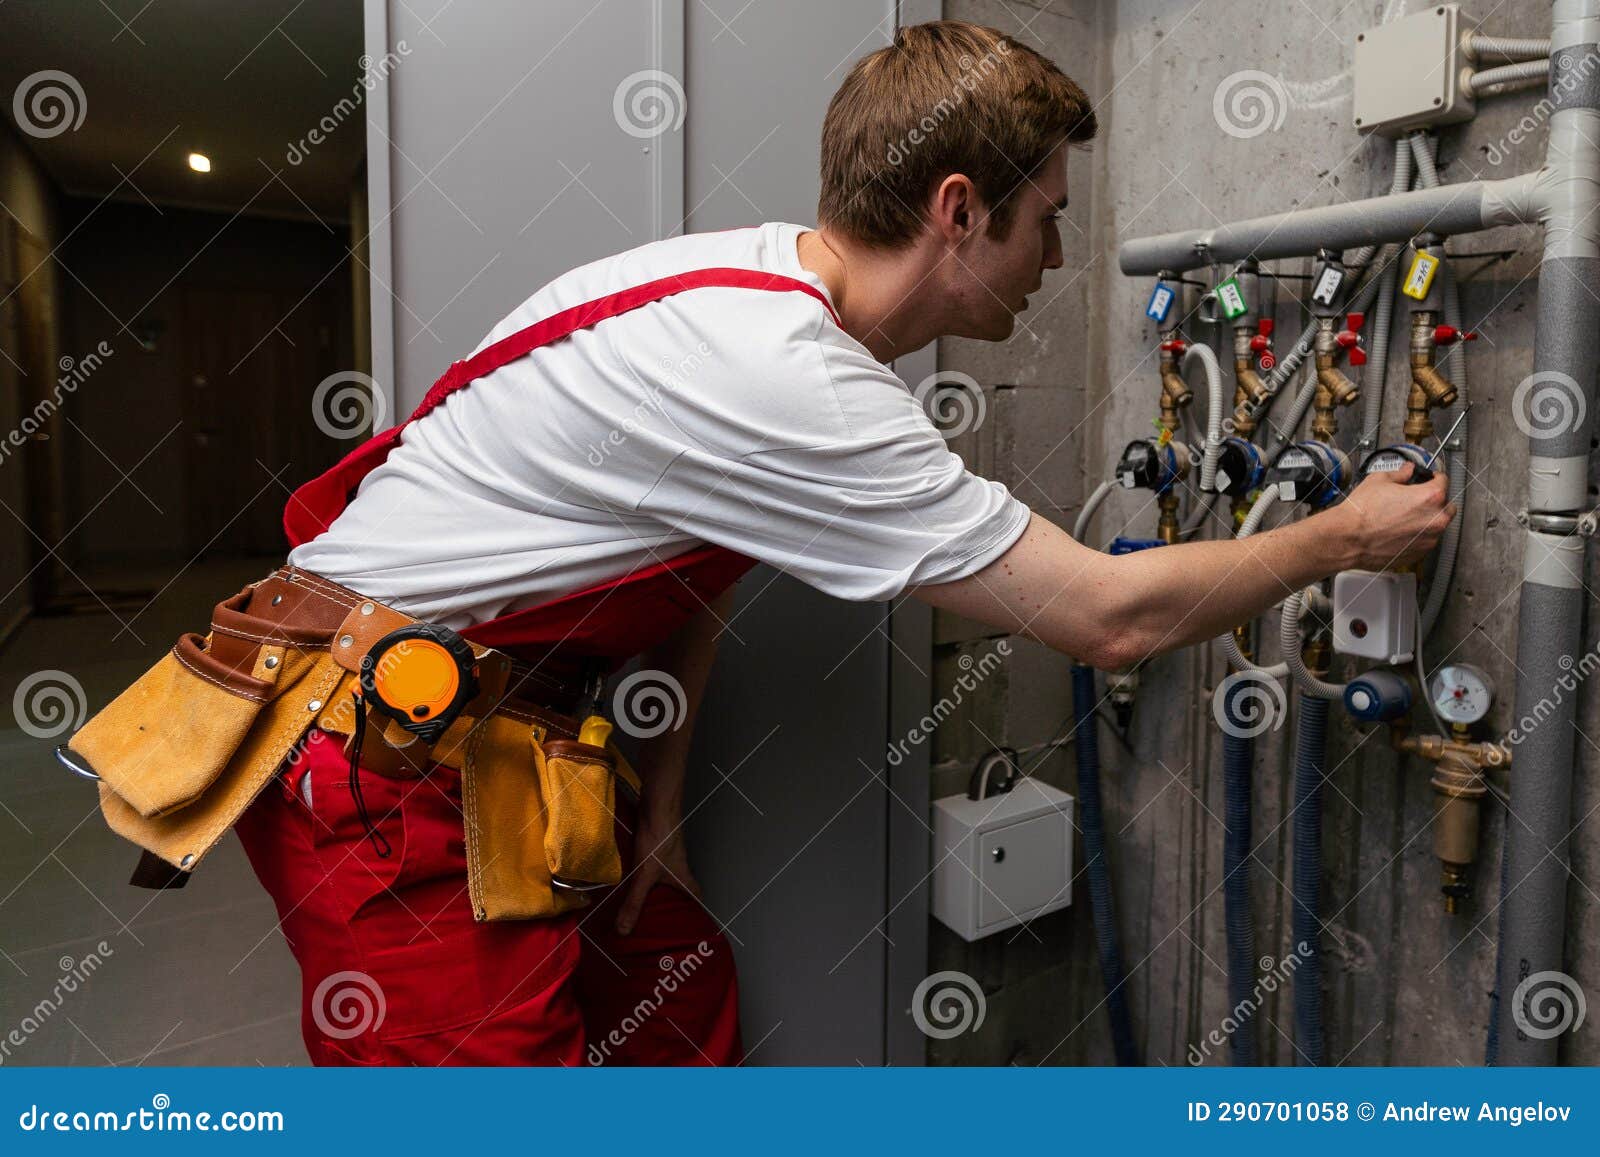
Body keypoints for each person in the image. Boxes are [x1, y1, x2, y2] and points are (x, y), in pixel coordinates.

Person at [240, 19, 1452, 1065]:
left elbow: (695, 564)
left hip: (493, 735)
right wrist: (1343, 535)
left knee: (674, 999)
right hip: (375, 762)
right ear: (958, 209)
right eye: (1045, 221)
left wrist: (657, 800)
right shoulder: (790, 378)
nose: (1060, 260)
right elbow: (1105, 617)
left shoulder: (737, 282)